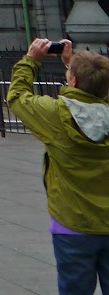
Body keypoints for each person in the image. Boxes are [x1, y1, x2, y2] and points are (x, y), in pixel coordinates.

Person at [8, 36, 109, 294]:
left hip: (71, 225)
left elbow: (18, 97)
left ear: (72, 80)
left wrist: (30, 60)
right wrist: (73, 66)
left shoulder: (55, 114)